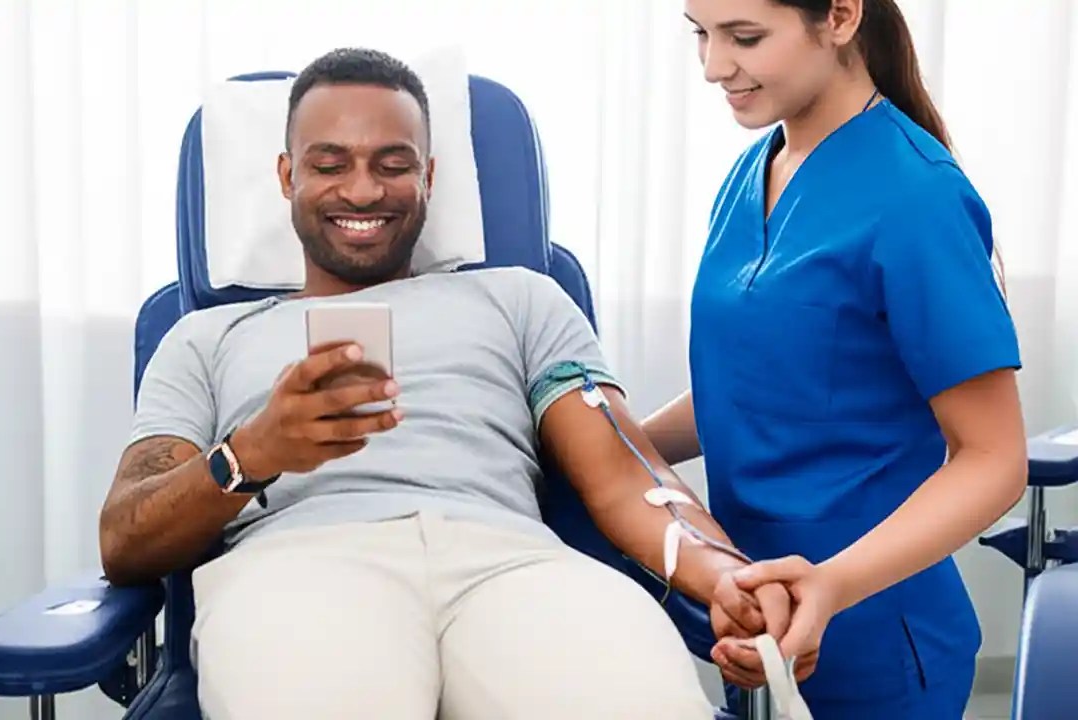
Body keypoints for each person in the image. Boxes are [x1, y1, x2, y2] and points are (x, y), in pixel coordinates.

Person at [99, 48, 786, 719]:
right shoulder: (205, 337)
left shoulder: (523, 299)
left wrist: (723, 572)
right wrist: (253, 454)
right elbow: (125, 542)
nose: (363, 190)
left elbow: (624, 475)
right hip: (299, 566)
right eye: (329, 164)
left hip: (513, 566)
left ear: (428, 175)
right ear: (287, 176)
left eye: (392, 165)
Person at [648, 1, 1029, 717]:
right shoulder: (755, 170)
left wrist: (830, 585)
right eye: (701, 35)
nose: (712, 66)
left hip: (875, 636)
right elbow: (761, 382)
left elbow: (993, 458)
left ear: (843, 16)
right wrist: (613, 449)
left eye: (745, 37)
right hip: (756, 617)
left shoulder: (917, 197)